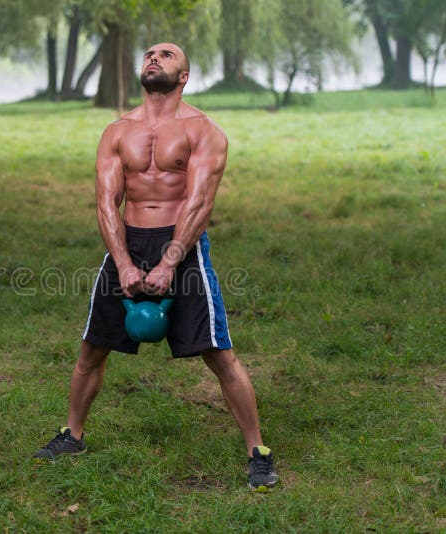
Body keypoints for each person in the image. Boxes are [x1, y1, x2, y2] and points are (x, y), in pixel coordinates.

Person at [34, 43, 278, 490]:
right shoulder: (117, 131)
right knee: (92, 349)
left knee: (219, 354)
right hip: (127, 241)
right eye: (149, 54)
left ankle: (257, 452)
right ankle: (72, 435)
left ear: (184, 76)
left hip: (181, 242)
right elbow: (107, 203)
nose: (153, 58)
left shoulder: (204, 131)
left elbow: (199, 201)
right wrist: (124, 262)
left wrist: (170, 259)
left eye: (166, 56)